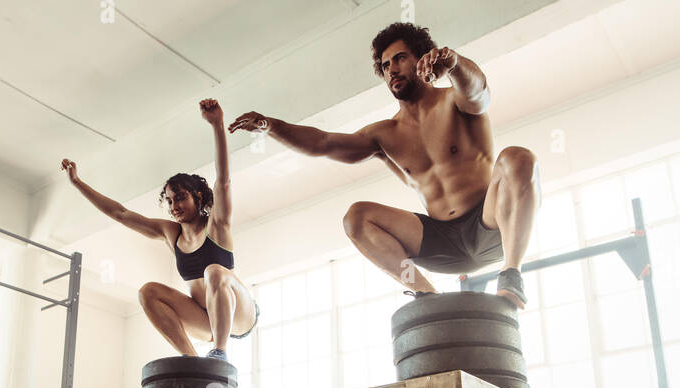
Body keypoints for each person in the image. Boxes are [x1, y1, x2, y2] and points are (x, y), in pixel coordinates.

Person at [228, 22, 539, 307]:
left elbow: (478, 90)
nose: (392, 69)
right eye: (385, 65)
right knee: (357, 217)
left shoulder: (456, 101)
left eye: (400, 58)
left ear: (421, 59)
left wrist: (454, 64)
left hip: (491, 226)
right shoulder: (385, 134)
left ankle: (512, 275)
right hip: (440, 241)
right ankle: (426, 295)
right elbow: (322, 143)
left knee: (517, 157)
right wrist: (270, 126)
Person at [61, 99, 258, 361]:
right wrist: (77, 183)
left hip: (240, 315)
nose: (174, 205)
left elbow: (223, 180)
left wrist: (217, 125)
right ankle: (192, 362)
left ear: (198, 197)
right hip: (206, 320)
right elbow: (120, 213)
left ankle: (219, 352)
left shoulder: (217, 225)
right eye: (169, 200)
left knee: (213, 270)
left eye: (180, 198)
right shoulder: (170, 232)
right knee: (148, 292)